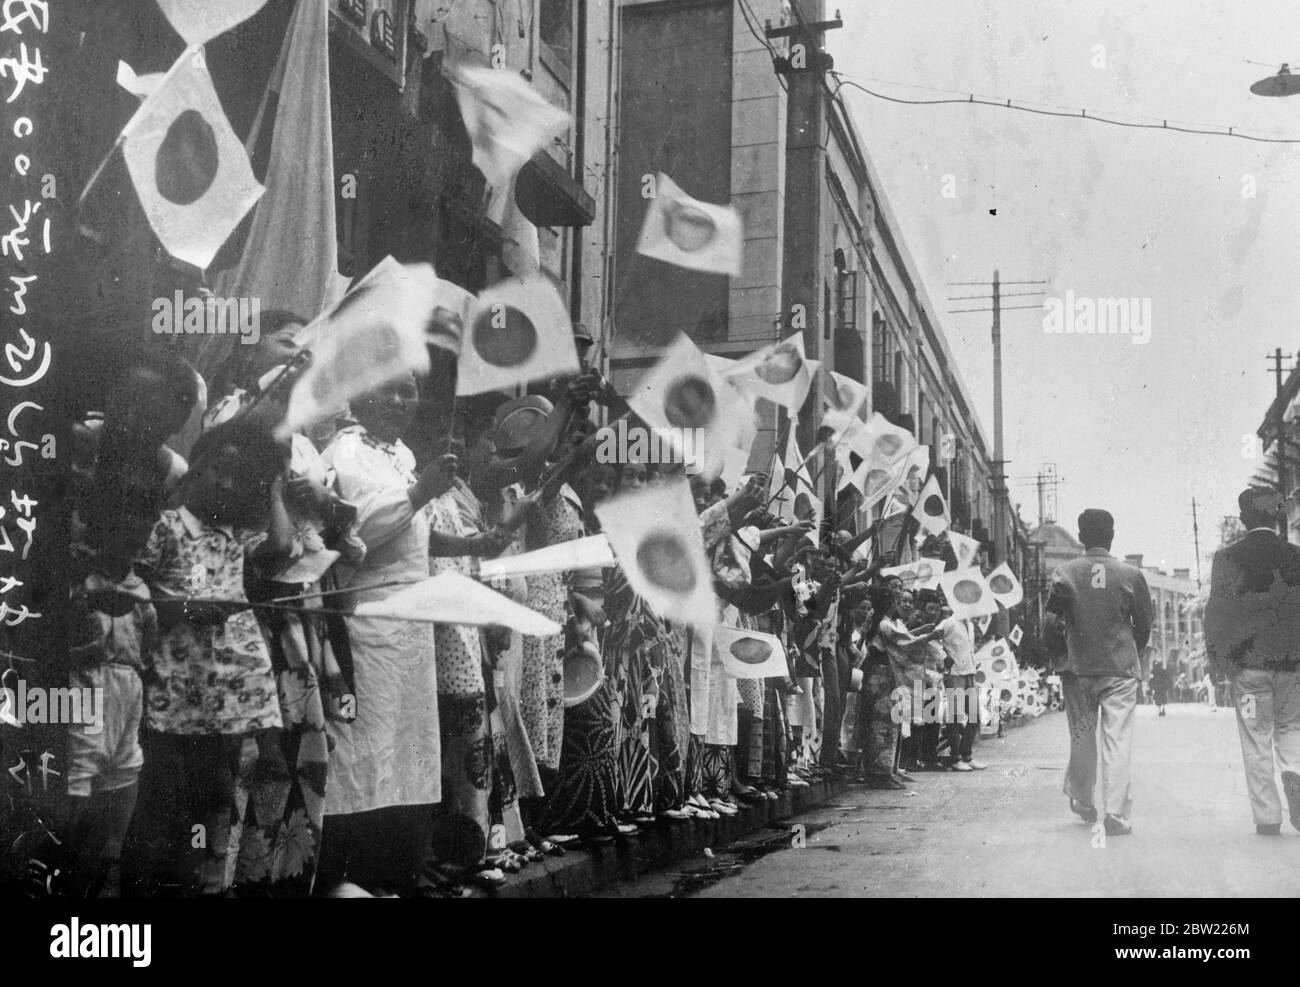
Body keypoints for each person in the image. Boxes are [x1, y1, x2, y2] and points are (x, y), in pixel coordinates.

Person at [122, 419, 296, 896]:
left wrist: (276, 492)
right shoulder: (166, 526)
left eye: (238, 477)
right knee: (162, 795)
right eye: (217, 469)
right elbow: (132, 594)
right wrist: (186, 609)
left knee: (212, 794)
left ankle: (194, 880)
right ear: (194, 468)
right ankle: (143, 888)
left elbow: (282, 548)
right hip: (177, 687)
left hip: (223, 695)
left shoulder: (234, 535)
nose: (225, 484)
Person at [1043, 508, 1151, 837]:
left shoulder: (1064, 573)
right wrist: (1131, 649)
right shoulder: (1131, 575)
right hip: (1119, 670)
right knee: (1118, 741)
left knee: (1083, 735)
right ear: (1112, 535)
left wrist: (1059, 655)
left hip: (1078, 669)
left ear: (1081, 536)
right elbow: (1144, 624)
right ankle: (1116, 813)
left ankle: (1084, 800)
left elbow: (1049, 622)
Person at [1205, 487, 1300, 836]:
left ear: (1244, 518)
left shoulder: (1227, 558)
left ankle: (1268, 817)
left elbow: (1216, 612)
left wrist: (1218, 659)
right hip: (1293, 663)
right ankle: (1294, 770)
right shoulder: (1296, 556)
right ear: (1277, 515)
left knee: (1255, 735)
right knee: (1292, 726)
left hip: (1248, 668)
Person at [935, 604, 986, 771]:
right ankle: (955, 758)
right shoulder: (948, 623)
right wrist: (944, 656)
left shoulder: (970, 624)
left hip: (969, 673)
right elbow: (932, 640)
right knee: (955, 716)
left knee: (974, 716)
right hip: (955, 673)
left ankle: (967, 755)